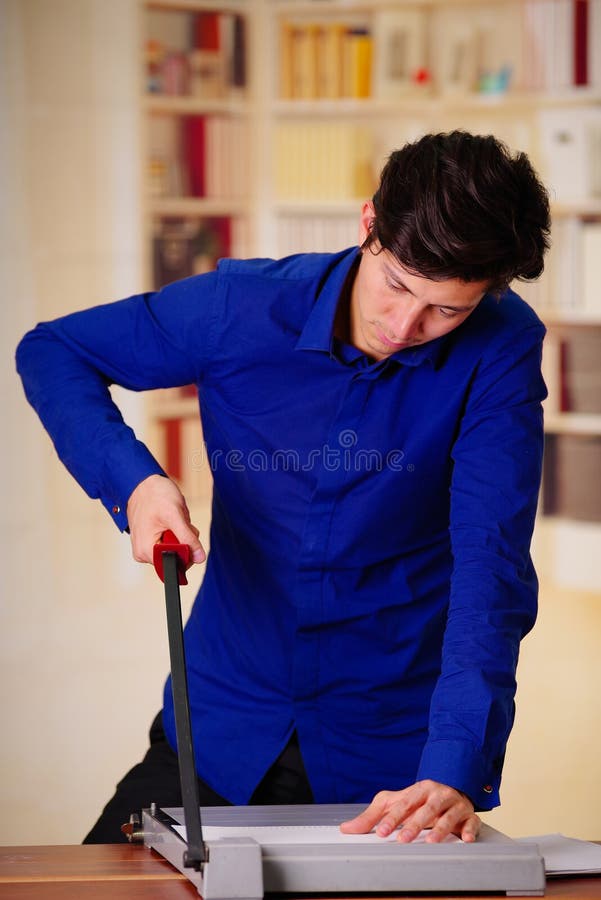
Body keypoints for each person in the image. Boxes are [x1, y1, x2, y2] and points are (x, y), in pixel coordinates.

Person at [16, 130, 551, 846]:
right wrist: (135, 483)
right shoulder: (238, 307)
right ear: (368, 224)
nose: (403, 326)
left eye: (445, 311)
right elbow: (56, 349)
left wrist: (454, 768)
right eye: (395, 285)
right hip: (221, 722)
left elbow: (491, 564)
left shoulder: (501, 345)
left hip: (391, 754)